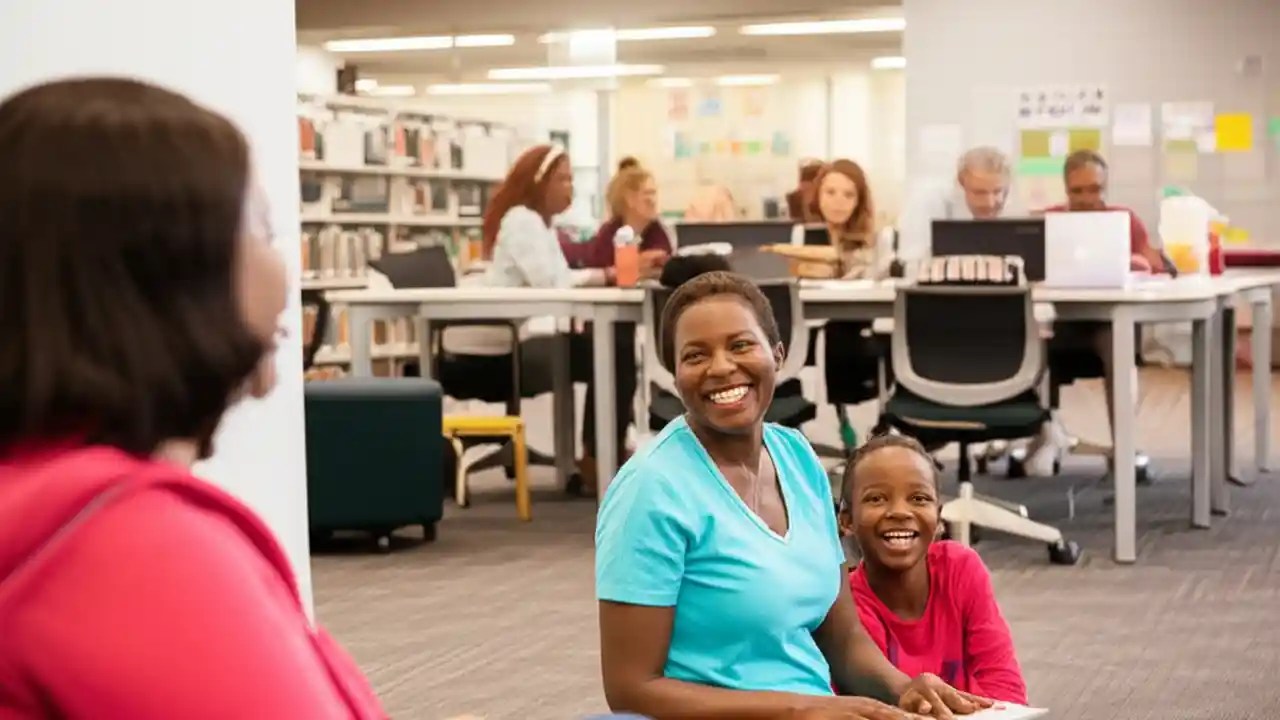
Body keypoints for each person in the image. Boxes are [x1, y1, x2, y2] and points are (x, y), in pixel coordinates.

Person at [0, 78, 384, 717]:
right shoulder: (126, 544)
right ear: (165, 272)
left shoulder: (37, 505)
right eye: (260, 227)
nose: (287, 273)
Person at [595, 271, 991, 720]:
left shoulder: (797, 457)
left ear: (778, 355)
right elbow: (631, 689)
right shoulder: (651, 489)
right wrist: (799, 709)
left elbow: (841, 636)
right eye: (695, 355)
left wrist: (904, 688)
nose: (721, 366)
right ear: (675, 375)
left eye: (741, 345)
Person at [467, 144, 630, 494]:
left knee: (614, 344)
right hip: (504, 346)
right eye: (562, 179)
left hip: (519, 336)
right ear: (539, 183)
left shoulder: (540, 224)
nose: (570, 187)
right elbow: (552, 283)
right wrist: (606, 275)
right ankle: (597, 454)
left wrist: (602, 275)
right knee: (611, 349)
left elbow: (560, 276)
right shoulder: (522, 221)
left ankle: (601, 451)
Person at [839, 435, 1028, 705]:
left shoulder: (960, 569)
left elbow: (1006, 688)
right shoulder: (846, 608)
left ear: (939, 519)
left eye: (918, 498)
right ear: (847, 521)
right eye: (877, 499)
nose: (900, 512)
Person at [1045, 149, 1164, 273]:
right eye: (1077, 191)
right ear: (1066, 190)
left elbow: (1154, 264)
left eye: (1094, 190)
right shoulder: (1046, 222)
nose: (1087, 200)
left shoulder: (1126, 221)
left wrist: (1138, 263)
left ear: (1105, 189)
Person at [898, 147, 1013, 266]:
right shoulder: (927, 202)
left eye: (997, 192)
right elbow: (911, 262)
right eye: (979, 192)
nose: (990, 203)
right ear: (961, 184)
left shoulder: (1015, 204)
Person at [562, 158, 672, 278]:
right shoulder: (608, 237)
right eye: (647, 193)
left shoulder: (658, 232)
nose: (653, 200)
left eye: (654, 193)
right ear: (630, 199)